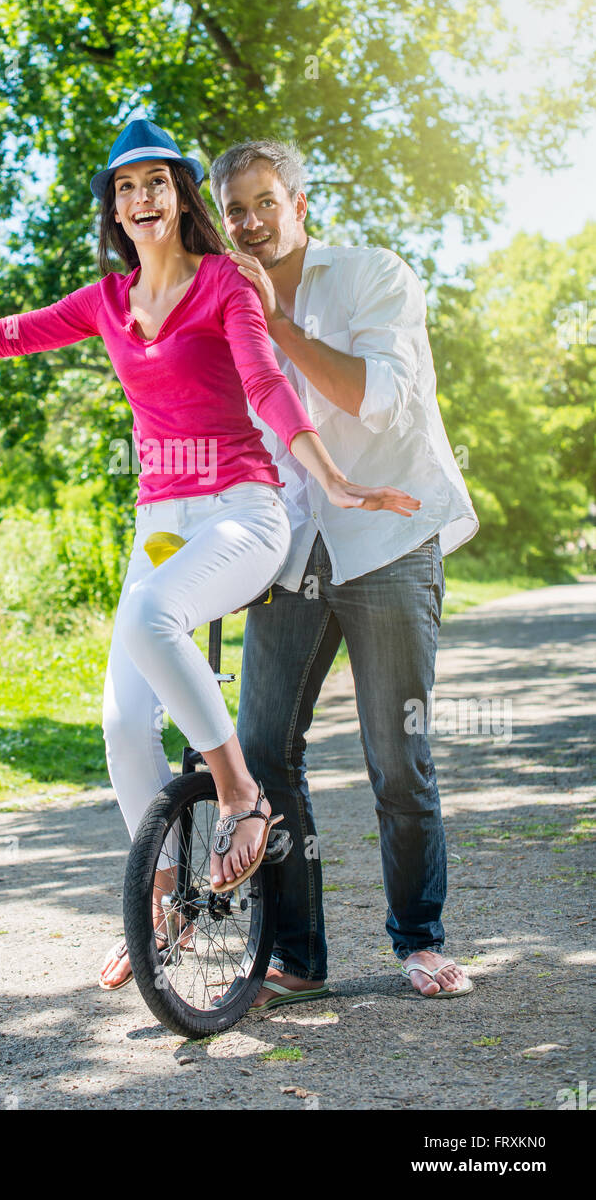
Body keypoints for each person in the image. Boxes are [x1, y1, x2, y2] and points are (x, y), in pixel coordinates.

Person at [0, 119, 420, 994]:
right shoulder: (107, 302)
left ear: (180, 197)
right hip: (159, 521)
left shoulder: (225, 280)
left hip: (242, 509)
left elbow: (266, 384)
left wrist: (331, 477)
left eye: (156, 183)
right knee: (122, 722)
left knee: (152, 617)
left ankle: (239, 797)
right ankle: (158, 911)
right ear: (114, 210)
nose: (141, 199)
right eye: (125, 188)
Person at [208, 138, 479, 1005]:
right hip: (293, 545)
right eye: (234, 211)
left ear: (297, 202)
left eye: (262, 204)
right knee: (259, 753)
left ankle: (419, 939)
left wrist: (274, 322)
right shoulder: (224, 304)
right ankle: (297, 954)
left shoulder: (372, 276)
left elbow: (375, 396)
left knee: (395, 756)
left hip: (389, 539)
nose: (249, 224)